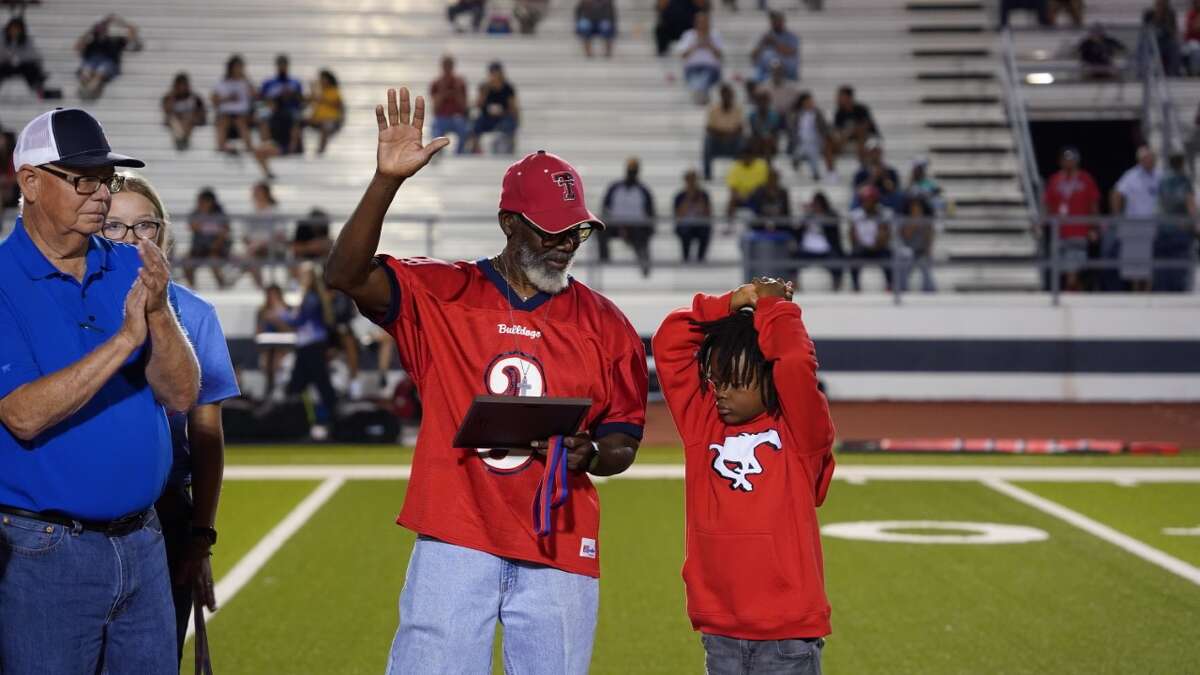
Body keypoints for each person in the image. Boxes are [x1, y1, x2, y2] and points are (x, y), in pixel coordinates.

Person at [324, 88, 648, 675]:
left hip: (558, 540)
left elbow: (624, 438)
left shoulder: (608, 325)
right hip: (456, 533)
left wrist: (593, 453)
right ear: (507, 222)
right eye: (550, 231)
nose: (564, 246)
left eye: (575, 232)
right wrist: (385, 183)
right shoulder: (440, 292)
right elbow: (343, 273)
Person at [0, 107, 199, 674]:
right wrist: (124, 340)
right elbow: (22, 415)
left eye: (105, 180)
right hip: (46, 551)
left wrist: (158, 314)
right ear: (31, 181)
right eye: (82, 179)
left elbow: (181, 394)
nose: (101, 195)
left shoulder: (132, 267)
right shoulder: (3, 279)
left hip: (143, 538)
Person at [651, 278, 835, 675]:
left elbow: (796, 362)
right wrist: (733, 301)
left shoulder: (799, 432)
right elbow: (668, 341)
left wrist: (775, 308)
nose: (720, 393)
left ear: (768, 378)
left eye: (734, 383)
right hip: (721, 634)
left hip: (787, 638)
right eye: (716, 381)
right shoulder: (703, 423)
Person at [101, 172, 239, 666]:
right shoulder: (70, 301)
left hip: (165, 511)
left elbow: (206, 435)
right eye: (114, 226)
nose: (131, 239)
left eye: (145, 226)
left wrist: (200, 536)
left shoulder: (195, 313)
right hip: (76, 515)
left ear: (163, 234)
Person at [285, 263, 340, 439]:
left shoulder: (310, 299)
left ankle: (307, 422)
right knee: (309, 385)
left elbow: (297, 321)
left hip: (310, 347)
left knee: (306, 386)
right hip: (311, 346)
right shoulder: (313, 297)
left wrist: (279, 312)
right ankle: (308, 421)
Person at [1042, 147, 1100, 292]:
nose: (1068, 162)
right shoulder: (1054, 180)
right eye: (1065, 159)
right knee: (1065, 271)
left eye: (1071, 159)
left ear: (1077, 161)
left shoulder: (1086, 179)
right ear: (1060, 161)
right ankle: (1074, 295)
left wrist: (1094, 227)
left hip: (1079, 232)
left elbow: (1093, 204)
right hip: (1060, 233)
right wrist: (1043, 224)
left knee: (1073, 272)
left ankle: (1073, 298)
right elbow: (1047, 205)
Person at [1111, 146, 1161, 292]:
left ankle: (1149, 292)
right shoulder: (1131, 176)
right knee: (1135, 264)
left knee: (1151, 263)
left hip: (1154, 225)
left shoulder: (1160, 175)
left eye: (1152, 158)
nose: (1150, 161)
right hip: (1135, 226)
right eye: (1146, 159)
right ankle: (1136, 293)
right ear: (1140, 160)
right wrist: (1117, 216)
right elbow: (1116, 193)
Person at [600, 157, 657, 277]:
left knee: (641, 236)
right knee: (600, 230)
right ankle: (604, 261)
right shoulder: (615, 188)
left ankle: (644, 266)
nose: (631, 174)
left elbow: (650, 213)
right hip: (616, 224)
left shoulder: (643, 191)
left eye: (634, 171)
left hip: (636, 226)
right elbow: (605, 207)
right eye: (630, 170)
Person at [1153, 153, 1198, 291]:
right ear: (1181, 164)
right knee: (1180, 266)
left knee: (1162, 266)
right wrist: (1195, 224)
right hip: (1180, 228)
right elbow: (1190, 203)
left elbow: (1158, 202)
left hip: (1162, 227)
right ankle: (1178, 292)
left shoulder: (1162, 179)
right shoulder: (1183, 180)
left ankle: (1162, 293)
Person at [75, 14, 141, 100]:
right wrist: (91, 31)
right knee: (87, 68)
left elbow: (132, 30)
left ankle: (91, 88)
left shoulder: (115, 41)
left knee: (102, 68)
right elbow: (77, 47)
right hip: (92, 64)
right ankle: (87, 86)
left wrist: (119, 22)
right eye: (100, 28)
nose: (102, 30)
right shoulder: (92, 42)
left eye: (104, 28)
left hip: (108, 65)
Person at [794, 191, 845, 291]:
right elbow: (797, 231)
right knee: (793, 258)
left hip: (825, 249)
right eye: (814, 204)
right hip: (808, 249)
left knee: (837, 260)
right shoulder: (808, 216)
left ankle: (836, 285)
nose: (816, 207)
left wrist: (821, 218)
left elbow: (834, 233)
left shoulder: (831, 215)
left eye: (818, 204)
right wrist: (805, 219)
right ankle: (795, 284)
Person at [847, 184, 893, 291]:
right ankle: (856, 286)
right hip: (862, 247)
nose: (868, 203)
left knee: (888, 255)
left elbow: (886, 235)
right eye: (866, 200)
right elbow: (852, 235)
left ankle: (890, 286)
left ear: (876, 201)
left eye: (871, 200)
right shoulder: (856, 215)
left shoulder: (883, 214)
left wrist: (878, 244)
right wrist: (859, 244)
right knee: (853, 256)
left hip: (879, 247)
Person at [184, 187, 232, 289]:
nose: (201, 204)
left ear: (210, 202)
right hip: (200, 248)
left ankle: (222, 285)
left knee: (213, 259)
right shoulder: (195, 213)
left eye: (203, 201)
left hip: (217, 248)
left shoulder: (220, 214)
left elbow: (225, 232)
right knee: (187, 262)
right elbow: (193, 226)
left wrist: (215, 245)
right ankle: (192, 288)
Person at [467, 62, 519, 155]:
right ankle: (475, 148)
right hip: (487, 117)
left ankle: (508, 148)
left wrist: (513, 116)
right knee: (476, 125)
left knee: (509, 123)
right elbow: (479, 104)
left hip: (503, 116)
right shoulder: (484, 87)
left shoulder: (507, 88)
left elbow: (512, 106)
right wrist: (486, 90)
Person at [1, 17, 60, 99]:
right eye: (12, 28)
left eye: (17, 29)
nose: (14, 31)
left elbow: (33, 56)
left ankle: (40, 91)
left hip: (23, 65)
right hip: (5, 65)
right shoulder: (2, 38)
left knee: (31, 69)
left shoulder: (27, 40)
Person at [242, 181, 287, 289]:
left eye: (258, 191)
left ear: (266, 193)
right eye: (255, 192)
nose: (255, 194)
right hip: (254, 249)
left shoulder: (275, 211)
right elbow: (245, 236)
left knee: (248, 256)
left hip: (274, 248)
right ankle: (260, 287)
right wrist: (253, 244)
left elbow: (280, 235)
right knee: (251, 257)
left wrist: (261, 244)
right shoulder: (250, 213)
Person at [256, 284, 294, 401]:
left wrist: (277, 320)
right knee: (268, 357)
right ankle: (269, 388)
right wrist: (265, 320)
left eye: (274, 295)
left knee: (278, 355)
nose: (271, 298)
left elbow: (291, 331)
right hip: (267, 348)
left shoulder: (288, 310)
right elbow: (258, 333)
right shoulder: (262, 311)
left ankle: (279, 390)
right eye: (269, 295)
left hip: (284, 347)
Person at [676, 12, 724, 105]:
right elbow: (682, 55)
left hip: (711, 69)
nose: (702, 24)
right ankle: (702, 93)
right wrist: (695, 45)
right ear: (695, 23)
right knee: (696, 77)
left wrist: (710, 44)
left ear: (708, 23)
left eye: (704, 22)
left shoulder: (715, 35)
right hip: (691, 69)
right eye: (700, 22)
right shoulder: (688, 35)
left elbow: (720, 56)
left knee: (704, 76)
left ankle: (699, 91)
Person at [212, 54, 255, 155]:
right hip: (225, 113)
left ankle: (248, 146)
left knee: (240, 121)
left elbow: (256, 96)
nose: (239, 69)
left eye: (240, 67)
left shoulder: (245, 82)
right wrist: (227, 98)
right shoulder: (222, 82)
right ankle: (221, 146)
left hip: (242, 114)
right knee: (223, 120)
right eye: (237, 67)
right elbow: (214, 100)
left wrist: (247, 81)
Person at [703, 83, 745, 181]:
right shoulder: (713, 109)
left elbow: (740, 127)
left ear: (732, 96)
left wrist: (729, 135)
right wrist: (723, 135)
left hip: (733, 141)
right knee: (707, 140)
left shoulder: (738, 109)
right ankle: (707, 174)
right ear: (721, 95)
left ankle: (739, 172)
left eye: (728, 94)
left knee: (741, 141)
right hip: (717, 141)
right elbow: (709, 128)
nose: (726, 97)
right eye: (724, 94)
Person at [789, 91, 834, 182]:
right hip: (802, 140)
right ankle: (796, 161)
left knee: (813, 156)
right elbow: (795, 128)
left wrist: (824, 137)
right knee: (799, 153)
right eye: (808, 101)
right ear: (803, 103)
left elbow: (823, 126)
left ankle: (815, 173)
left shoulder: (817, 113)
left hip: (814, 141)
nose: (811, 103)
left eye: (811, 101)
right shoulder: (798, 114)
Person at [725, 142, 770, 231]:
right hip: (741, 198)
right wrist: (740, 196)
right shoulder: (735, 168)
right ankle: (729, 225)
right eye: (743, 155)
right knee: (732, 200)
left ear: (752, 155)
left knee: (761, 194)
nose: (745, 158)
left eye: (748, 155)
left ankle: (762, 224)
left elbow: (765, 185)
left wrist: (752, 193)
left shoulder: (761, 165)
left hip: (757, 196)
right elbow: (733, 189)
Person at [430, 55, 470, 154]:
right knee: (436, 130)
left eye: (449, 66)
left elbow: (464, 107)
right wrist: (442, 92)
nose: (447, 69)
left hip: (456, 117)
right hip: (442, 117)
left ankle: (459, 153)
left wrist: (456, 91)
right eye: (445, 66)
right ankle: (438, 154)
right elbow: (435, 109)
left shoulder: (460, 83)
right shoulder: (436, 83)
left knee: (464, 129)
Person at [300, 69, 345, 155]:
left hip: (330, 119)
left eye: (323, 79)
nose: (321, 81)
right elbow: (306, 102)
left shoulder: (334, 91)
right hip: (316, 118)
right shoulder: (318, 91)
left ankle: (320, 150)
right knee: (299, 122)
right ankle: (299, 148)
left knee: (326, 126)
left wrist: (321, 98)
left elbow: (338, 105)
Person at [898, 195, 936, 293]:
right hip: (908, 251)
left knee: (925, 264)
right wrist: (914, 221)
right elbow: (906, 236)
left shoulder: (927, 221)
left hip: (921, 252)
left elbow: (929, 240)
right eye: (913, 207)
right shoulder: (904, 219)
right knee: (905, 260)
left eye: (918, 207)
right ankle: (903, 289)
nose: (915, 209)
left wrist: (923, 225)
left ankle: (929, 289)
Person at [674, 168, 713, 262]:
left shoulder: (703, 195)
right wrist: (688, 199)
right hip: (686, 224)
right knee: (684, 232)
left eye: (693, 180)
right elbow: (678, 215)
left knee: (705, 231)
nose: (691, 182)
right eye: (689, 180)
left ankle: (701, 257)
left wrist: (699, 201)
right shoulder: (680, 196)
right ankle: (685, 256)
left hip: (700, 224)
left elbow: (708, 213)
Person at [161, 72, 207, 151]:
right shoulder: (169, 97)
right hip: (176, 121)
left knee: (187, 119)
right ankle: (182, 137)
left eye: (184, 85)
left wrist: (191, 116)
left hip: (190, 121)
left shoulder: (195, 98)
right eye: (180, 85)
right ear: (176, 86)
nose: (182, 87)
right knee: (173, 119)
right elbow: (167, 111)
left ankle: (181, 138)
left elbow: (202, 112)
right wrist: (173, 96)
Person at [750, 11, 799, 83]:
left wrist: (775, 43)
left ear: (782, 21)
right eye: (773, 20)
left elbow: (791, 52)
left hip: (786, 71)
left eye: (777, 20)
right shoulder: (765, 36)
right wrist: (762, 44)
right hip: (766, 72)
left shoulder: (791, 37)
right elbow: (753, 56)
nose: (775, 23)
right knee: (756, 75)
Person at [830, 85, 878, 159]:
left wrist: (852, 131)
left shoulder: (861, 109)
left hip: (868, 138)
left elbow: (866, 126)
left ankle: (863, 162)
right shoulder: (839, 112)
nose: (838, 98)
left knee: (860, 131)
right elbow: (838, 130)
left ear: (848, 97)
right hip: (848, 138)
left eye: (840, 96)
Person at [746, 89, 785, 158]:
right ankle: (756, 160)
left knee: (769, 140)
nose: (762, 103)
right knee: (752, 140)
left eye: (764, 101)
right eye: (760, 101)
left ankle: (768, 159)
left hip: (771, 140)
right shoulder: (752, 116)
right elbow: (753, 131)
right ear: (757, 102)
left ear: (768, 102)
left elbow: (775, 131)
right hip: (758, 140)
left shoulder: (775, 115)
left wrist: (768, 136)